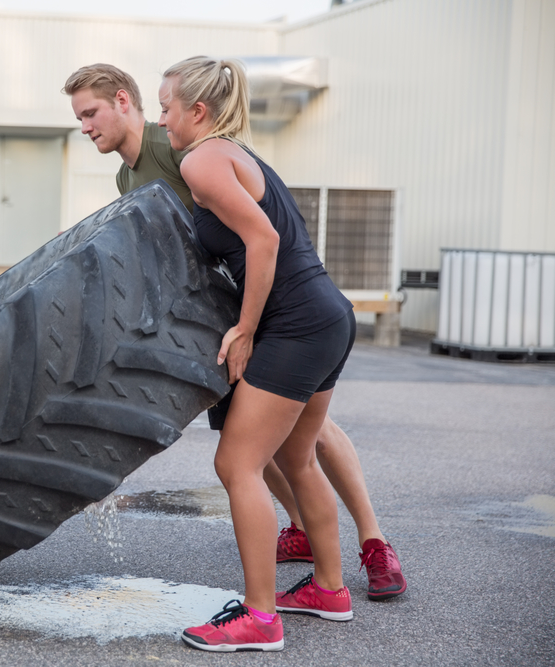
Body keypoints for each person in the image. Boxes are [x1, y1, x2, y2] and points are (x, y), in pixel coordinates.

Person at [64, 63, 406, 604]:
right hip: (228, 318)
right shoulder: (129, 178)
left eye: (90, 113)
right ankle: (311, 552)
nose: (84, 126)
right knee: (271, 449)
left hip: (270, 311)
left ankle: (372, 543)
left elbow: (262, 230)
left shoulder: (182, 149)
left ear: (124, 101)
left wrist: (248, 326)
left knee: (292, 442)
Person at [152, 55, 364, 652]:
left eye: (165, 108)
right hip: (328, 315)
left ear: (197, 111)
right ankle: (329, 589)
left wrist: (245, 330)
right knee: (297, 457)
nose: (160, 120)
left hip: (295, 323)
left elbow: (263, 240)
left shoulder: (201, 160)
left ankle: (261, 617)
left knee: (237, 464)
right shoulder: (237, 153)